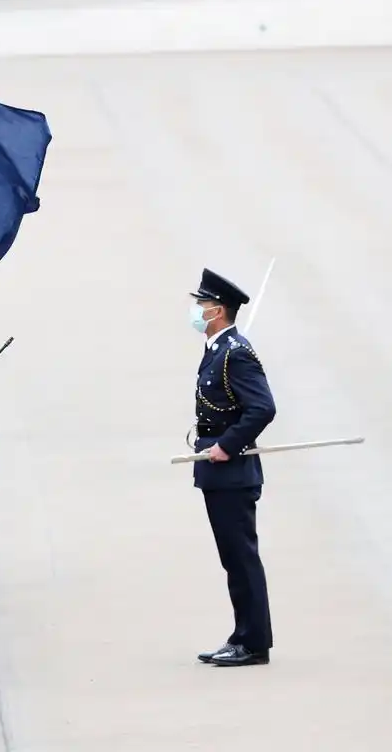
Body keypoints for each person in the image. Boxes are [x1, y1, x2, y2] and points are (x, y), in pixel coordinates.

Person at [187, 268, 277, 667]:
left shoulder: (235, 353)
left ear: (218, 310)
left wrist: (227, 445)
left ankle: (252, 643)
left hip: (232, 471)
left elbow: (263, 408)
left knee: (241, 559)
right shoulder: (218, 350)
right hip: (217, 471)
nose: (196, 310)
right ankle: (243, 636)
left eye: (202, 304)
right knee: (233, 560)